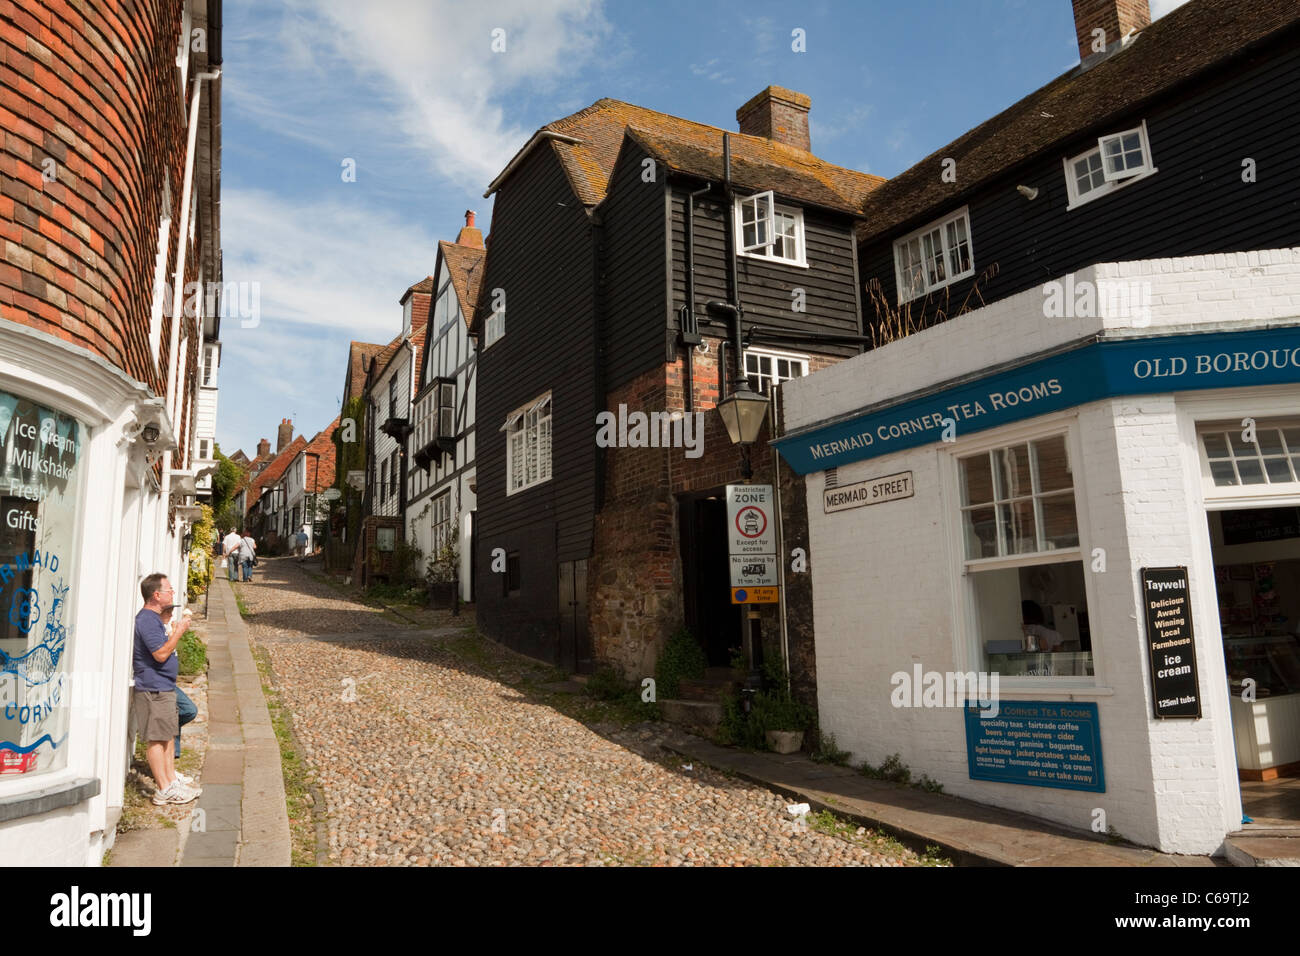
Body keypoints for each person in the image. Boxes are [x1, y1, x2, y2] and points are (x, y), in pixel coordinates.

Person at [133, 574, 201, 805]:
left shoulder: (154, 620)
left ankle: (171, 780)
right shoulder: (147, 620)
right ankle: (163, 788)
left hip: (164, 685)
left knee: (168, 734)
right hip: (153, 687)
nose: (173, 592)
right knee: (156, 738)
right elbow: (160, 654)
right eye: (169, 589)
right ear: (156, 595)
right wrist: (179, 632)